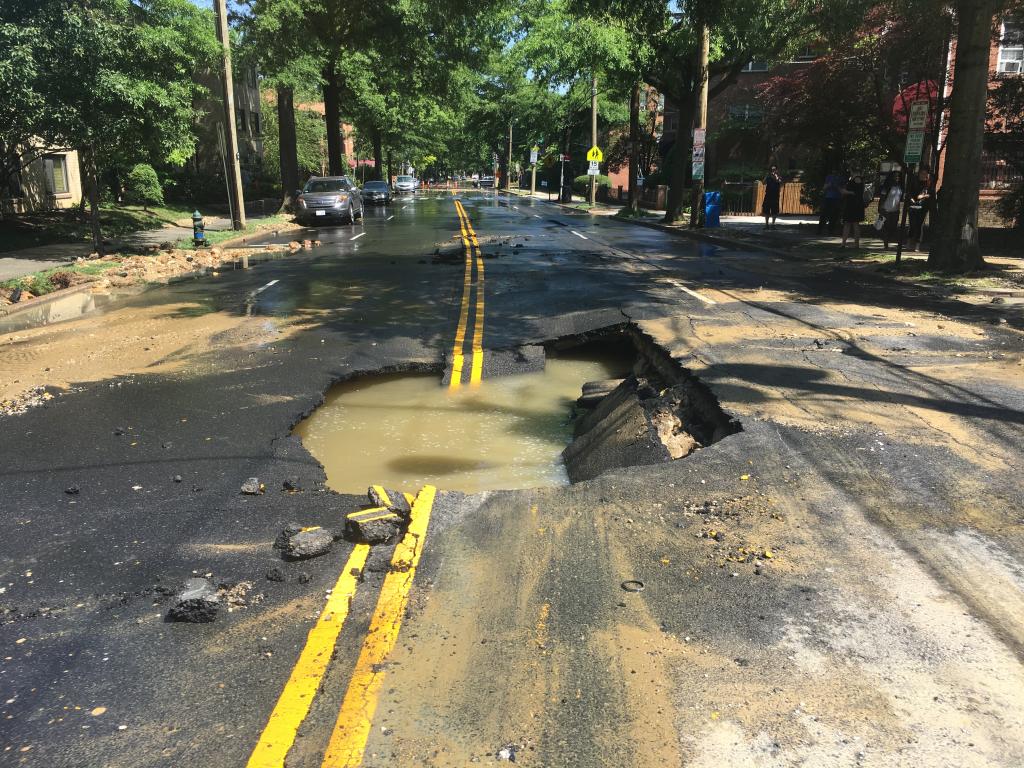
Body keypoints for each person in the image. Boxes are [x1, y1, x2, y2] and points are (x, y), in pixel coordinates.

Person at [907, 170, 933, 252]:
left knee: (919, 225)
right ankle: (909, 242)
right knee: (912, 224)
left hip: (923, 207)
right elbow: (910, 194)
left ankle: (917, 245)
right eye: (922, 173)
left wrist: (922, 196)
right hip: (913, 206)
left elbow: (930, 194)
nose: (924, 175)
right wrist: (913, 199)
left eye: (925, 174)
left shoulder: (929, 184)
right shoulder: (914, 183)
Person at [841, 173, 867, 249]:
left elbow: (855, 192)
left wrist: (846, 191)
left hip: (854, 205)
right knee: (851, 224)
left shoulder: (857, 180)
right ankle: (848, 244)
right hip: (854, 204)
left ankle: (851, 244)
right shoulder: (857, 180)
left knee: (852, 224)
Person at [878, 172, 903, 249]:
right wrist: (881, 208)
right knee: (886, 227)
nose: (897, 178)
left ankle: (890, 241)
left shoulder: (900, 187)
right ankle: (886, 244)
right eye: (895, 176)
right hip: (886, 209)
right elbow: (882, 198)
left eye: (898, 176)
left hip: (895, 210)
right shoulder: (886, 187)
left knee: (893, 227)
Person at [819, 169, 845, 234]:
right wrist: (829, 185)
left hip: (837, 198)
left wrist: (837, 187)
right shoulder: (829, 177)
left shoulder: (841, 178)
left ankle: (830, 230)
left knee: (834, 215)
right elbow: (824, 187)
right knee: (824, 214)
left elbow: (843, 188)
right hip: (828, 197)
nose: (835, 172)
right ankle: (820, 229)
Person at [762, 165, 782, 230]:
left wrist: (775, 175)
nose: (772, 171)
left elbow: (778, 181)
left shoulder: (779, 177)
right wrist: (766, 176)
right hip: (768, 195)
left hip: (775, 196)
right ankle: (766, 225)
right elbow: (763, 183)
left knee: (774, 211)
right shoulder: (768, 177)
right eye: (771, 170)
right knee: (766, 210)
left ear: (777, 170)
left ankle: (773, 225)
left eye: (774, 169)